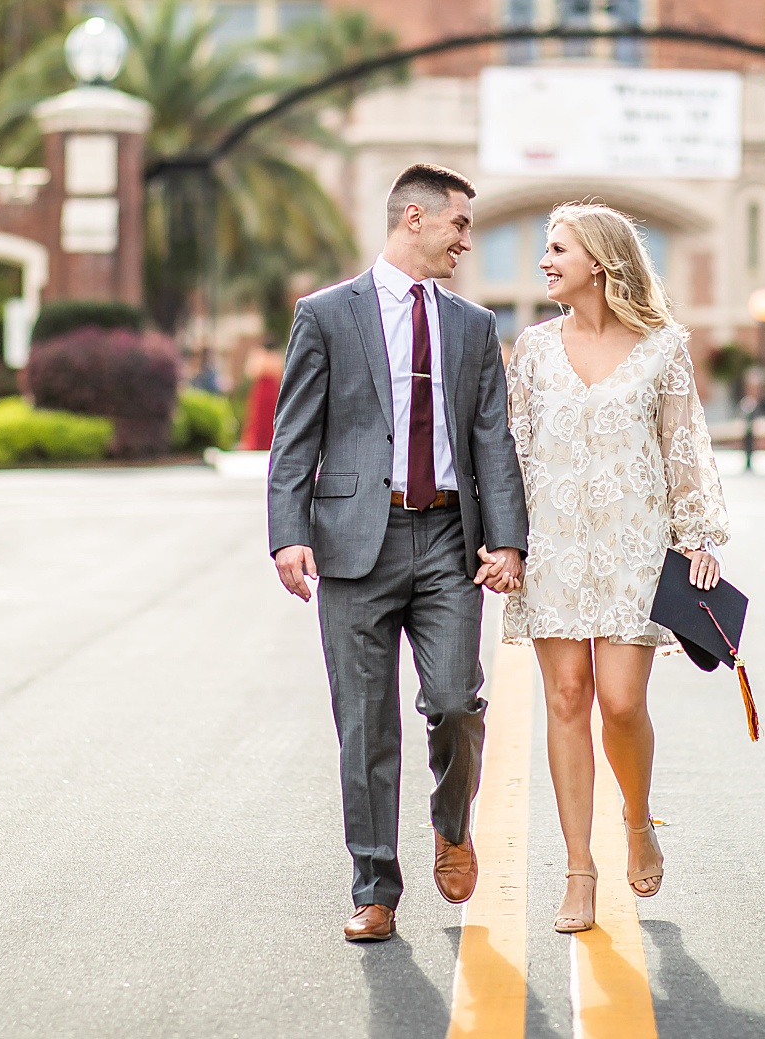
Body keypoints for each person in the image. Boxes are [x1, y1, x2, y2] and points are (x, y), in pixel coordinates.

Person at [268, 163, 530, 944]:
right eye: (458, 225)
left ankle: (453, 823)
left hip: (449, 540)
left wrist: (508, 539)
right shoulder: (324, 315)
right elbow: (295, 435)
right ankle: (375, 885)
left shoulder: (474, 327)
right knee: (365, 723)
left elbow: (493, 437)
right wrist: (288, 531)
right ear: (413, 217)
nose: (466, 241)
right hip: (354, 543)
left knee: (455, 701)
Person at [501, 202, 730, 934]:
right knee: (566, 697)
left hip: (636, 547)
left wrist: (698, 537)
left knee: (622, 701)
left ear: (599, 262)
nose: (544, 260)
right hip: (555, 546)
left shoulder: (663, 348)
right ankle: (578, 869)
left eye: (557, 248)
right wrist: (502, 540)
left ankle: (636, 818)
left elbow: (682, 445)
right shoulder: (532, 350)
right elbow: (511, 450)